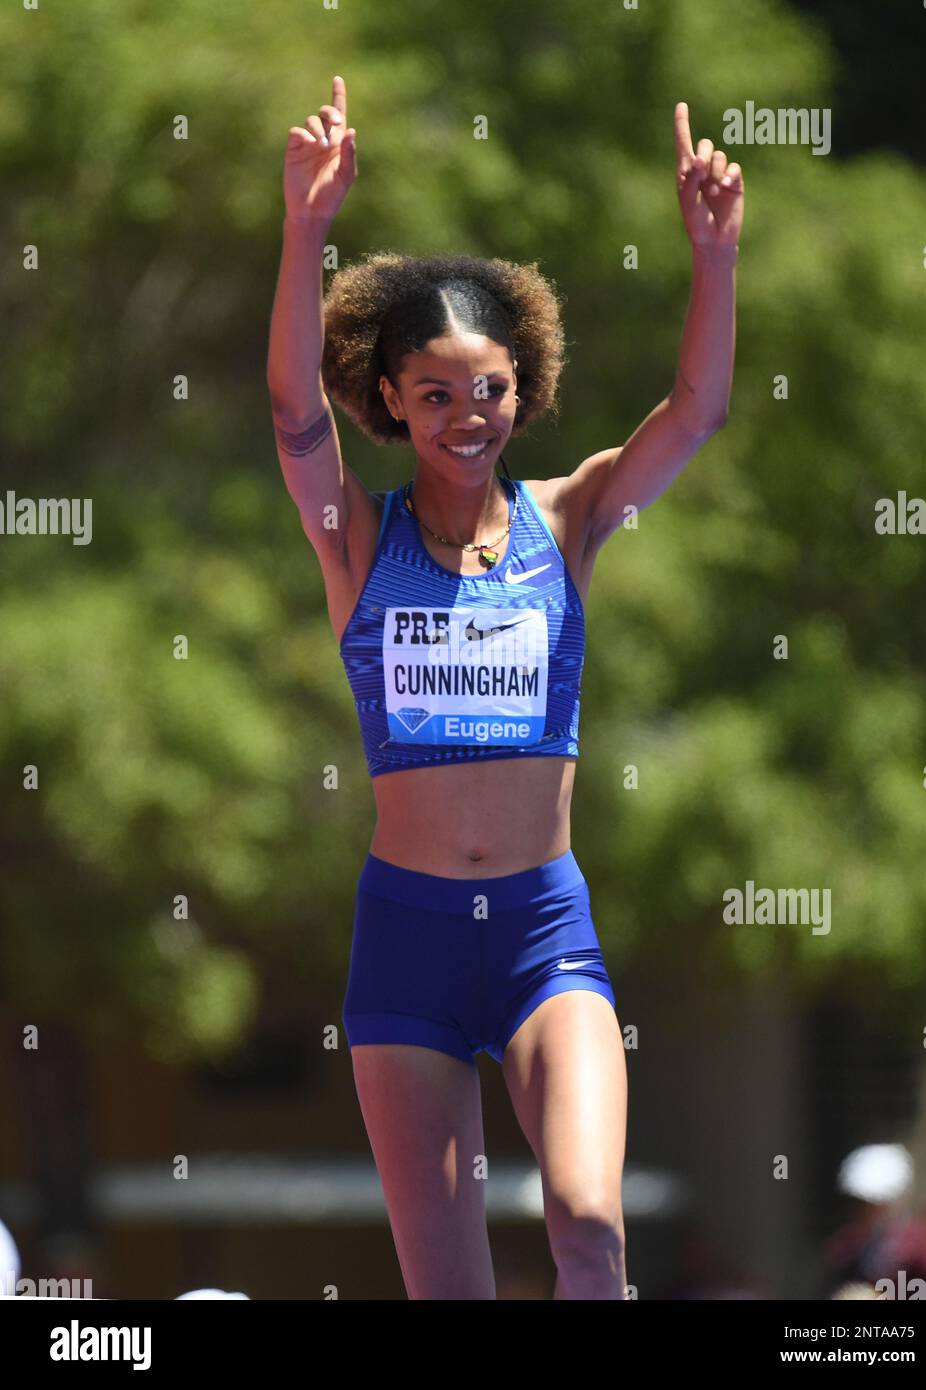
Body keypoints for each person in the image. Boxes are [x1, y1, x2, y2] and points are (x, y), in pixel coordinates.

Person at [266, 77, 741, 1300]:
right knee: (452, 1290)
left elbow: (695, 411)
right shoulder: (355, 544)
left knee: (587, 1224)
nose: (465, 415)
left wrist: (711, 257)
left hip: (541, 936)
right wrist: (305, 232)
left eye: (487, 389)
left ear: (521, 387)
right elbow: (286, 412)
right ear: (389, 401)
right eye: (433, 392)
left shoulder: (568, 518)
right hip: (407, 945)